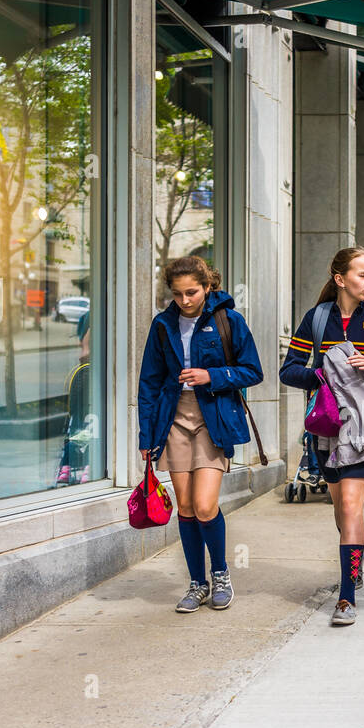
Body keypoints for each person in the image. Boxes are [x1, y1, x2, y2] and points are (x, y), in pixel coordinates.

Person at [280, 247, 364, 626]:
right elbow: (288, 370)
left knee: (352, 506)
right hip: (327, 428)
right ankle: (355, 562)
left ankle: (346, 597)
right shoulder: (317, 319)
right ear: (340, 279)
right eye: (362, 275)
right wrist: (319, 374)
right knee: (340, 507)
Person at [138, 256, 265, 613]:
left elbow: (253, 371)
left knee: (206, 505)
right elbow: (149, 382)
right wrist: (146, 437)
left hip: (214, 421)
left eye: (191, 292)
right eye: (177, 294)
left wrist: (212, 376)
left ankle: (221, 573)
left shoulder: (229, 320)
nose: (185, 300)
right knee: (188, 507)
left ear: (207, 287)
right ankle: (197, 584)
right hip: (174, 421)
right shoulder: (163, 325)